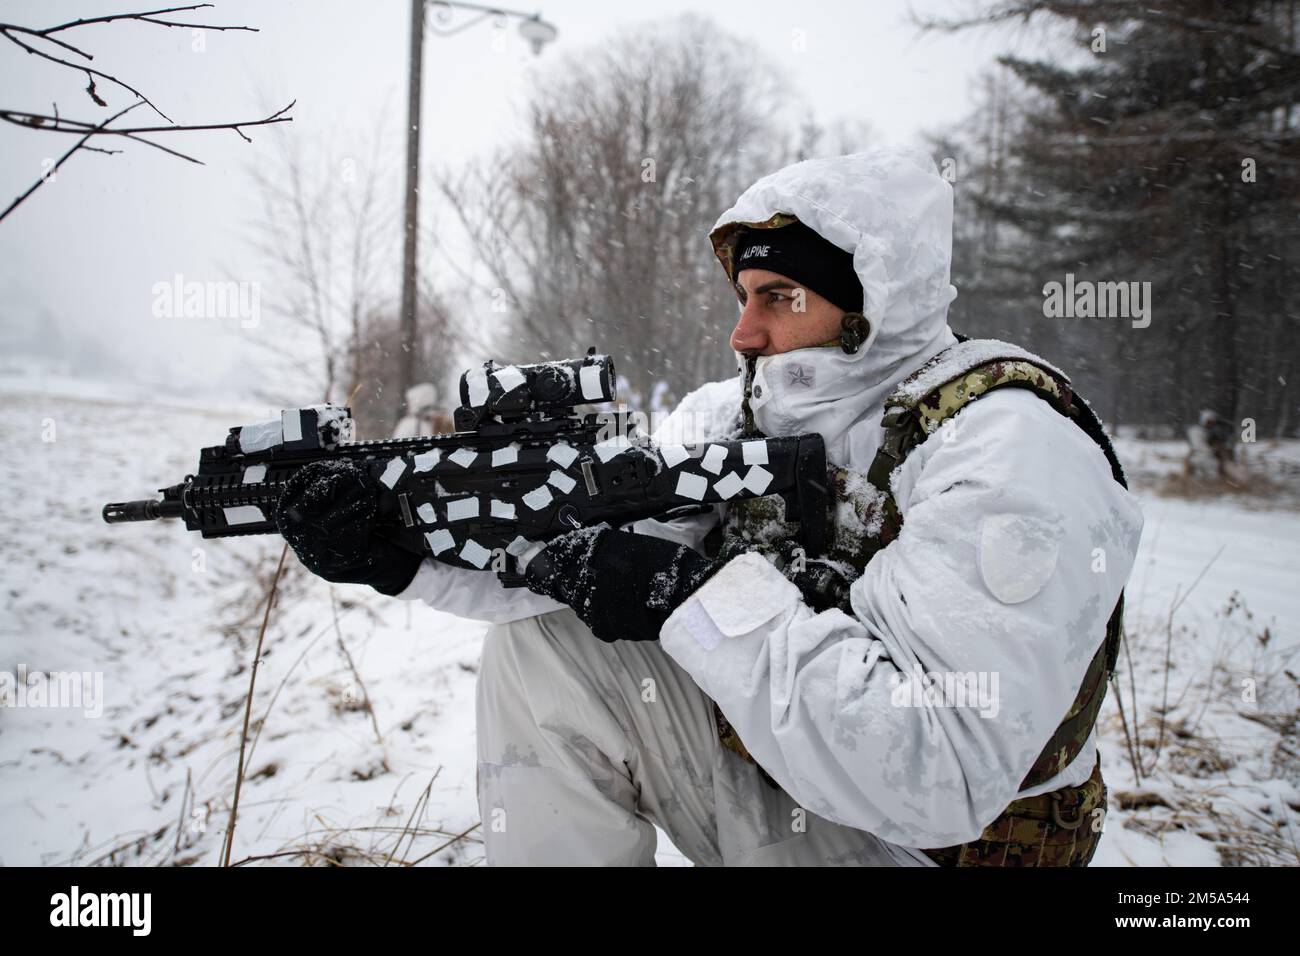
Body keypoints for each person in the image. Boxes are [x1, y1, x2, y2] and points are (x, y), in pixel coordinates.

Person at [277, 145, 1144, 866]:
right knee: (544, 646)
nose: (742, 333)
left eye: (779, 298)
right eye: (742, 298)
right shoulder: (734, 416)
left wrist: (694, 597)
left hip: (936, 849)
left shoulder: (1006, 447)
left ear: (866, 308)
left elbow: (940, 771)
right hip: (797, 788)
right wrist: (399, 554)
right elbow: (577, 554)